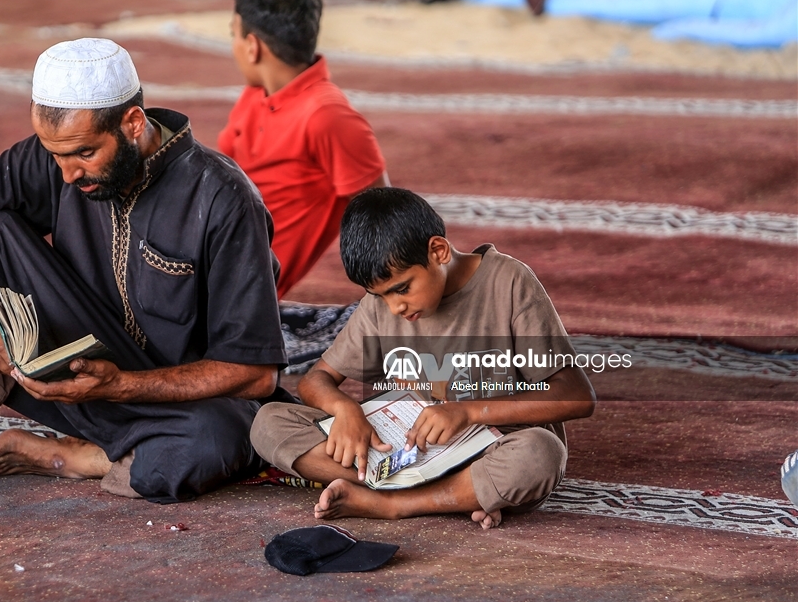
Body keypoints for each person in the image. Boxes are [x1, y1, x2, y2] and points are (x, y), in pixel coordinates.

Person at [0, 38, 288, 509]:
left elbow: (254, 374)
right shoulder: (57, 156)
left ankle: (84, 457)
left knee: (215, 441)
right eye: (56, 156)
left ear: (133, 123)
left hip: (174, 402)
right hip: (74, 380)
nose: (68, 174)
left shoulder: (223, 198)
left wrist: (119, 385)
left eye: (85, 153)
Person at [250, 188, 596, 528]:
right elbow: (316, 379)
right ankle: (460, 495)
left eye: (402, 288)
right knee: (268, 423)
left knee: (539, 454)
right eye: (379, 295)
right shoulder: (382, 306)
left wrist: (468, 411)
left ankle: (392, 504)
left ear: (438, 251)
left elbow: (577, 395)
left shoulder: (508, 282)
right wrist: (345, 410)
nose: (395, 307)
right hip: (406, 452)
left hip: (493, 446)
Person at [218, 0, 388, 298]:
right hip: (207, 249)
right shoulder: (254, 96)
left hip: (236, 288)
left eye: (233, 34)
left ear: (253, 47)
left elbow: (382, 216)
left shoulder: (326, 115)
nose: (233, 46)